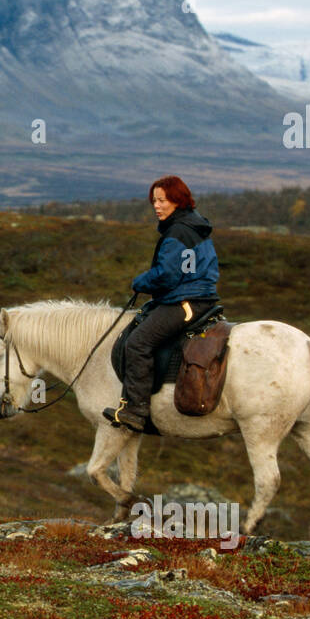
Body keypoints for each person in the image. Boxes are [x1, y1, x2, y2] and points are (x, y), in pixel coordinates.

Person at [104, 175, 220, 432]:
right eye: (154, 201)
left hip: (185, 301)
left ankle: (135, 410)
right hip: (198, 298)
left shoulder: (178, 231)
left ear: (178, 201)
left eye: (163, 200)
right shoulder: (194, 225)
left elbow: (167, 275)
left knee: (138, 342)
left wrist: (140, 282)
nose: (157, 206)